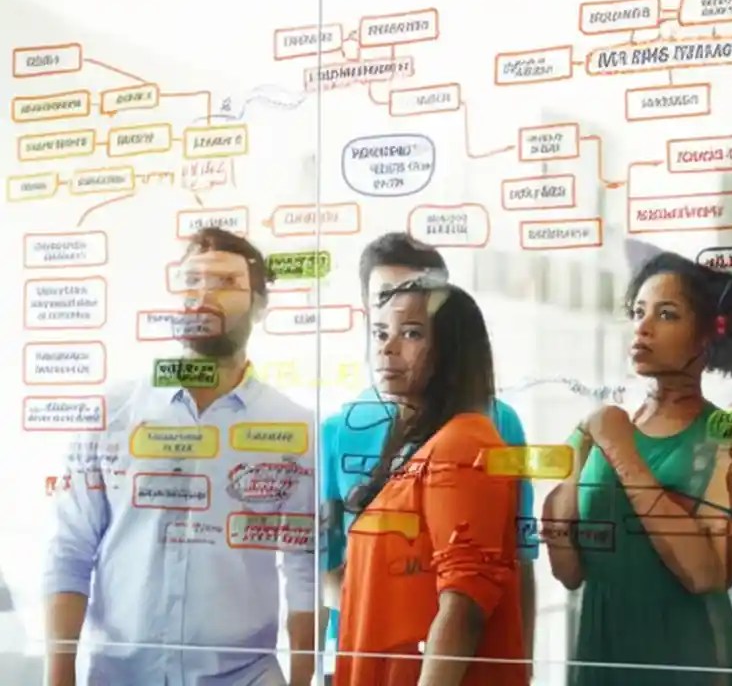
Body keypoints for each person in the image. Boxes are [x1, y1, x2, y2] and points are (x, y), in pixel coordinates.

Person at [44, 227, 317, 685]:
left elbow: (303, 568)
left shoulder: (295, 429)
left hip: (244, 677)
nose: (204, 294)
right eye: (191, 281)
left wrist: (304, 680)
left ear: (260, 306)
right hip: (119, 676)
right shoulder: (113, 414)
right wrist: (58, 677)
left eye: (226, 282)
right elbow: (71, 550)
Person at [545, 251, 732, 685]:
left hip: (689, 655)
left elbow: (708, 574)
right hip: (601, 647)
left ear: (707, 338)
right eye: (638, 312)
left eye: (666, 314)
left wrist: (622, 454)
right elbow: (568, 571)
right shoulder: (596, 429)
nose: (643, 327)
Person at [319, 233, 536, 670]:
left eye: (412, 332)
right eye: (382, 330)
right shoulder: (361, 431)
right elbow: (332, 565)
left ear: (449, 345)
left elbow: (467, 600)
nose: (388, 346)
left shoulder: (466, 441)